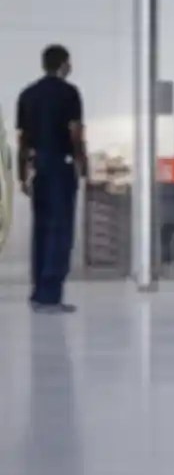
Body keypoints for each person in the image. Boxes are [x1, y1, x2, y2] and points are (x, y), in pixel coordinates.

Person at [16, 44, 86, 314]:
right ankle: (50, 296)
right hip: (60, 166)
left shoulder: (27, 94)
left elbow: (22, 140)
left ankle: (37, 293)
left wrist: (23, 174)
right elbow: (75, 132)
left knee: (42, 230)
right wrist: (82, 162)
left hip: (39, 168)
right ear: (64, 64)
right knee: (60, 231)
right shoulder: (69, 93)